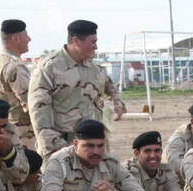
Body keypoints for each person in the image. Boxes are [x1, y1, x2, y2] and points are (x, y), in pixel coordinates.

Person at [28, 19, 124, 156]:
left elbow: (110, 86)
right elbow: (38, 112)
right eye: (93, 42)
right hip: (62, 143)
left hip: (94, 144)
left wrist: (117, 103)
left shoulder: (93, 67)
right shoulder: (49, 68)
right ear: (77, 41)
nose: (96, 47)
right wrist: (57, 149)